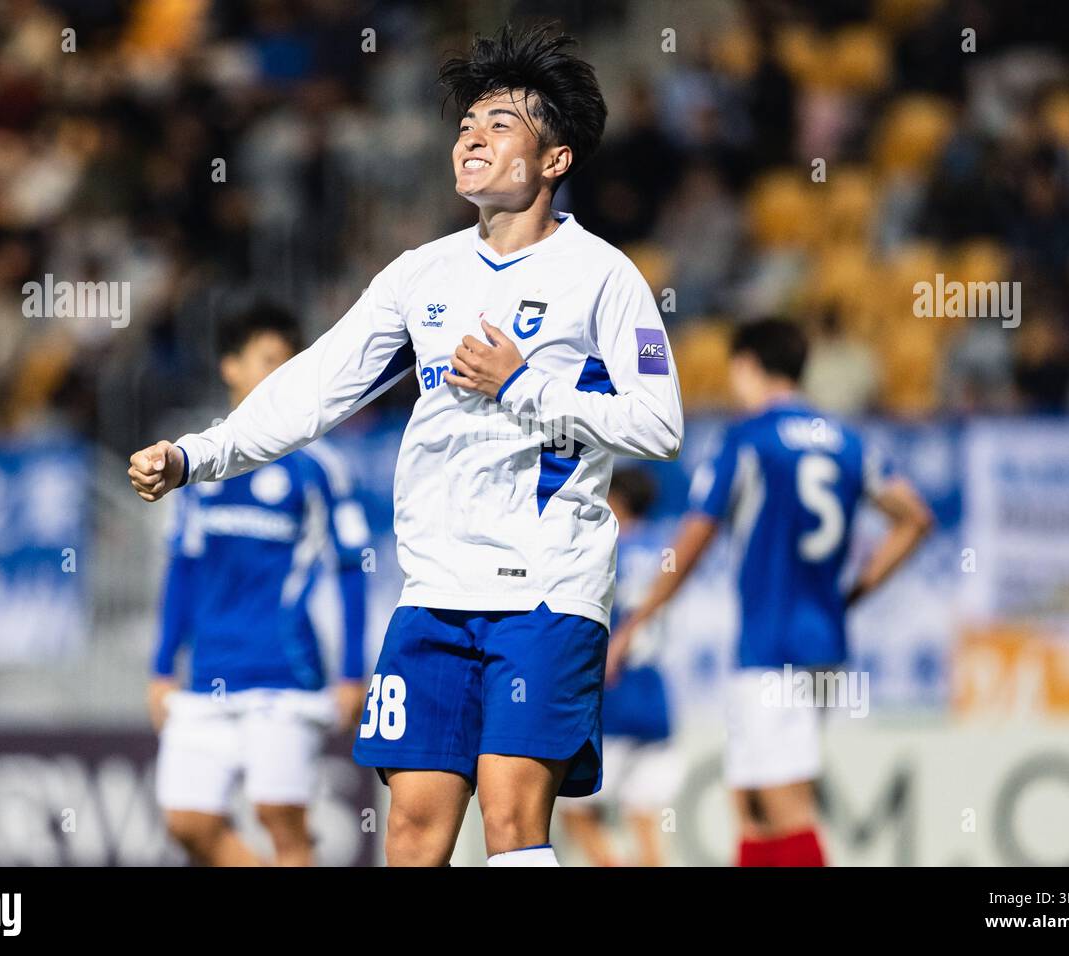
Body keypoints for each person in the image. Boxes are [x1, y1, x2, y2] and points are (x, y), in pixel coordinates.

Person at [128, 24, 683, 867]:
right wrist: (199, 455)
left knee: (509, 814)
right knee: (416, 827)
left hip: (547, 590)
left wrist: (520, 385)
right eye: (468, 123)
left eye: (500, 124)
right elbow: (313, 385)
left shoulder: (603, 276)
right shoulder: (419, 274)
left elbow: (660, 423)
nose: (472, 135)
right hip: (433, 593)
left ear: (556, 159)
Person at [608, 318, 931, 867]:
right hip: (823, 642)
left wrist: (634, 624)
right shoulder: (847, 441)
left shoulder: (750, 439)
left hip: (770, 648)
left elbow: (691, 544)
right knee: (752, 803)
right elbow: (915, 519)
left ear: (747, 366)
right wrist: (854, 592)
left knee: (785, 808)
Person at [149, 302, 371, 866]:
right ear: (231, 367)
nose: (281, 372)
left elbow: (352, 572)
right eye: (269, 359)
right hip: (207, 675)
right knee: (188, 822)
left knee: (283, 823)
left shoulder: (316, 466)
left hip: (284, 675)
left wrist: (351, 671)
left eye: (289, 361)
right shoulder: (196, 464)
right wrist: (160, 666)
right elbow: (183, 570)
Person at [559, 469, 682, 866]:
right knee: (644, 818)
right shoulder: (666, 551)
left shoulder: (608, 547)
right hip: (656, 702)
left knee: (574, 812)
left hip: (612, 701)